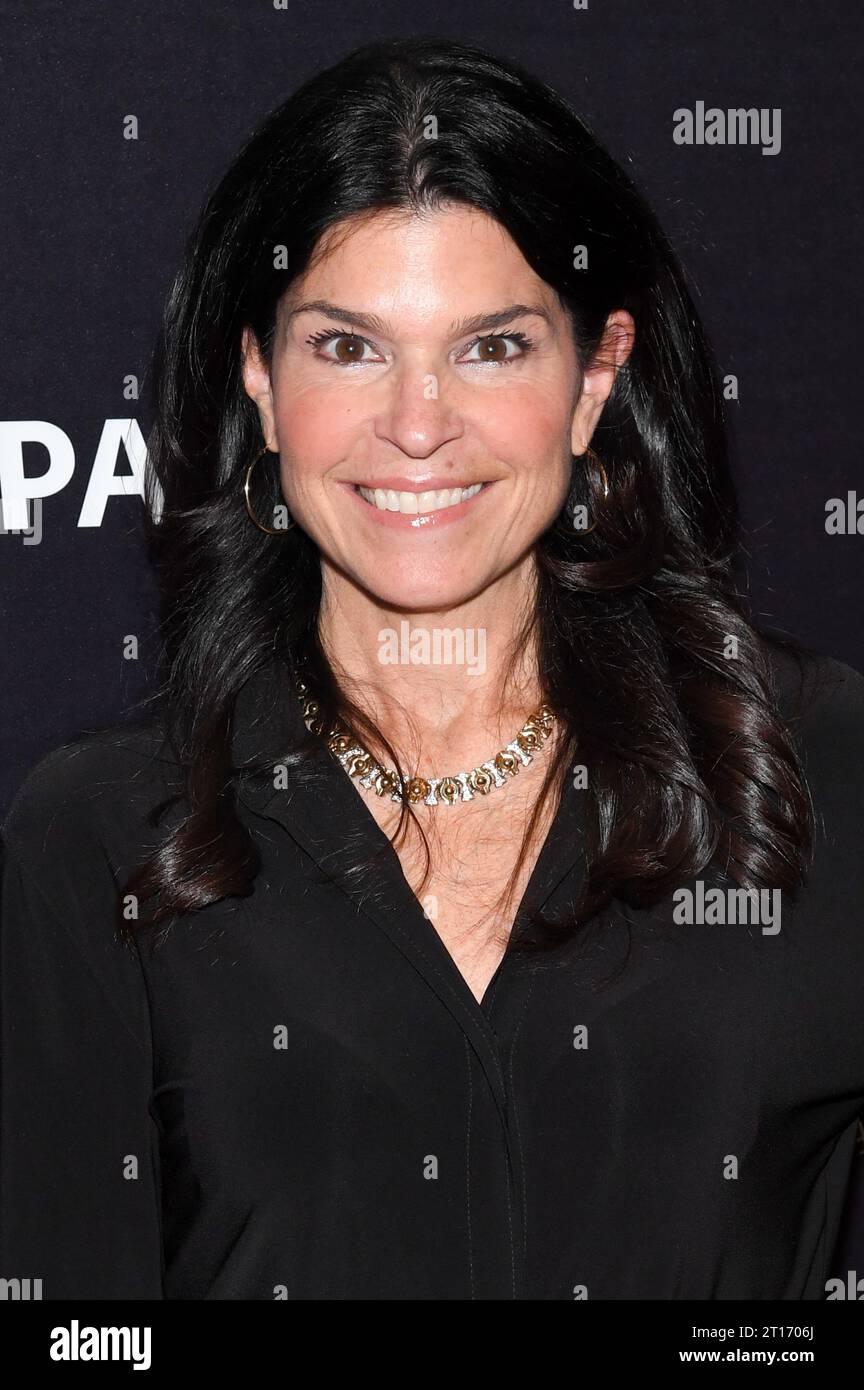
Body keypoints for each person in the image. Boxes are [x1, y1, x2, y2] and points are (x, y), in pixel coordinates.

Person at [2, 37, 863, 1301]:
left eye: (493, 347)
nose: (417, 424)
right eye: (348, 348)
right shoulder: (101, 835)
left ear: (594, 379)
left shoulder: (822, 768)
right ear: (261, 375)